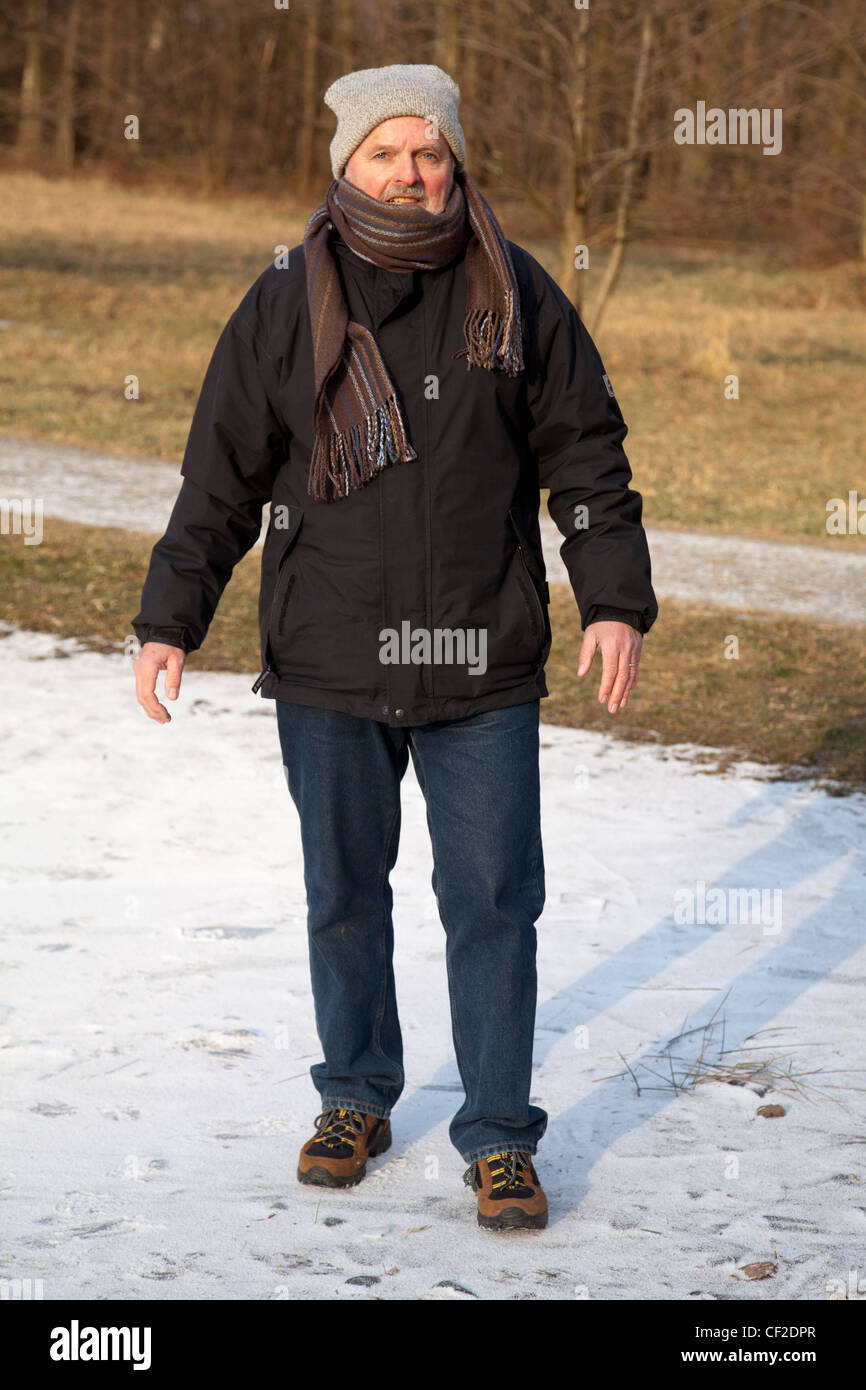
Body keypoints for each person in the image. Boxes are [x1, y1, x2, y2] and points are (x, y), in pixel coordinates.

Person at [132, 63, 658, 1232]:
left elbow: (586, 455)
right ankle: (355, 1096)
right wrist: (172, 615)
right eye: (384, 154)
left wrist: (611, 598)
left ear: (454, 161)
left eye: (426, 152)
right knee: (342, 896)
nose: (407, 174)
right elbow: (218, 475)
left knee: (491, 901)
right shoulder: (283, 298)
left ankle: (500, 1136)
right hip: (328, 661)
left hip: (482, 663)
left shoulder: (515, 292)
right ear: (345, 165)